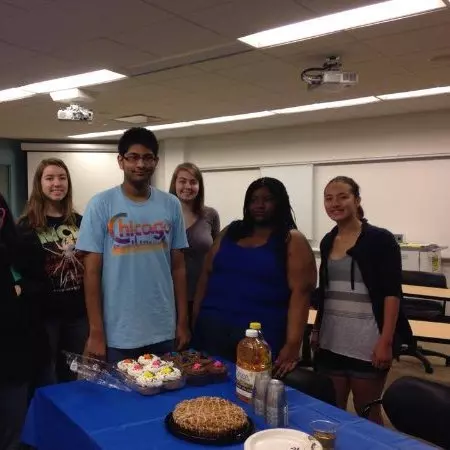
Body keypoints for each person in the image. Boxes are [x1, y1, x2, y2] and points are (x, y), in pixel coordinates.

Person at [76, 127, 190, 364]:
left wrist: (183, 322)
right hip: (118, 333)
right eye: (133, 157)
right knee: (118, 400)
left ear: (156, 161)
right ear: (121, 161)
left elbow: (178, 268)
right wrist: (96, 331)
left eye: (147, 157)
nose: (140, 164)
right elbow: (91, 273)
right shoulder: (101, 204)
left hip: (162, 329)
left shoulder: (171, 204)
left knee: (163, 398)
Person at [312, 176, 413, 424]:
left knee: (365, 410)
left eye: (343, 196)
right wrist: (316, 327)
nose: (335, 203)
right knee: (330, 409)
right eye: (328, 198)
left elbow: (391, 293)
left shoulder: (380, 239)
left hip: (368, 340)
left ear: (357, 200)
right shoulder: (327, 240)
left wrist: (386, 341)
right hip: (331, 338)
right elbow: (326, 290)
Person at [192, 177, 316, 377]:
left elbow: (301, 295)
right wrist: (194, 321)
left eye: (267, 199)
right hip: (210, 330)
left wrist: (293, 345)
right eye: (254, 199)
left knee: (250, 395)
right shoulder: (230, 232)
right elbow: (205, 278)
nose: (259, 205)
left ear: (280, 202)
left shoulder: (291, 239)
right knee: (206, 397)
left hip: (259, 339)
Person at [17, 158, 87, 385]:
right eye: (49, 178)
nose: (57, 183)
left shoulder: (80, 222)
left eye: (62, 178)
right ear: (39, 184)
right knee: (45, 376)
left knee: (72, 378)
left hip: (78, 314)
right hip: (43, 317)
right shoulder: (26, 227)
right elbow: (15, 270)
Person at [0, 194, 41, 449]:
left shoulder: (18, 246)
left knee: (13, 430)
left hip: (15, 357)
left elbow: (40, 284)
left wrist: (20, 288)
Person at [169, 162, 220, 324]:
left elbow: (216, 256)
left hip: (204, 295)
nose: (187, 186)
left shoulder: (210, 215)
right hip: (170, 296)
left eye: (193, 182)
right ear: (174, 184)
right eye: (182, 181)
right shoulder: (163, 215)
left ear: (200, 186)